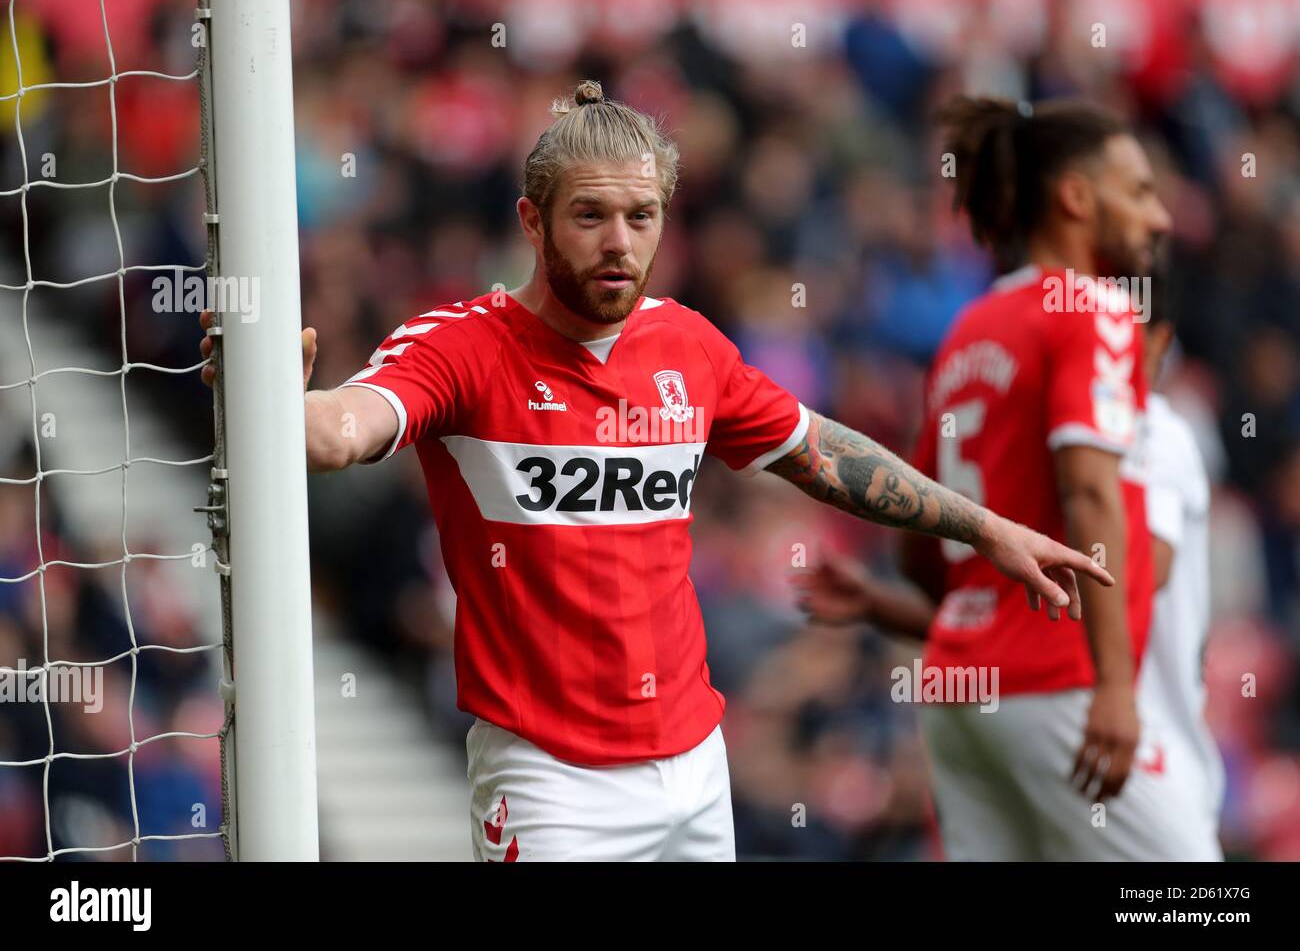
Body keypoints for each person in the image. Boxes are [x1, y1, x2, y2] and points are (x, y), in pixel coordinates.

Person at [199, 82, 1110, 862]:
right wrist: (269, 398)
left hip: (694, 764)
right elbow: (343, 429)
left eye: (641, 218)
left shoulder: (688, 345)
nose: (618, 244)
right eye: (590, 216)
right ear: (532, 220)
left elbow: (824, 454)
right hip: (550, 781)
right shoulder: (464, 349)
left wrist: (984, 527)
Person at [799, 95, 1218, 860]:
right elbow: (1090, 491)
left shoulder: (967, 332)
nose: (1159, 218)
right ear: (1077, 198)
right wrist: (1115, 690)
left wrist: (924, 614)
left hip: (961, 701)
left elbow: (920, 541)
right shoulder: (1093, 310)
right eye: (1140, 191)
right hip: (1062, 688)